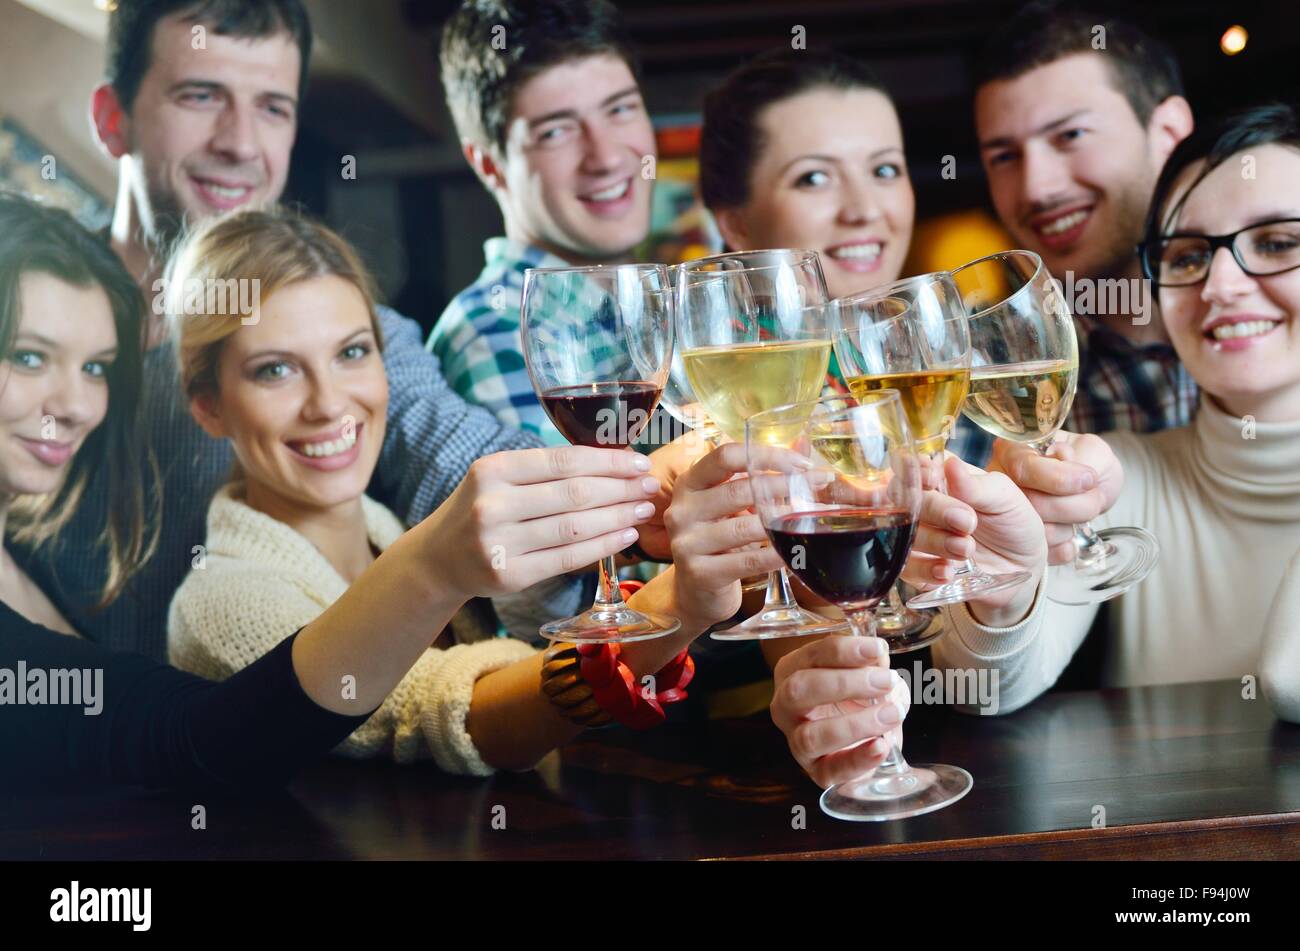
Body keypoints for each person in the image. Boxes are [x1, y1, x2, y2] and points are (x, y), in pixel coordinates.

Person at [8, 0, 646, 661]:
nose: (241, 143)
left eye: (273, 107)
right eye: (201, 96)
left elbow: (460, 457)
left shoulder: (355, 332)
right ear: (113, 121)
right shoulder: (23, 305)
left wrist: (643, 518)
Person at [0, 194, 653, 789]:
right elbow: (198, 737)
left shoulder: (384, 526)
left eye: (94, 368)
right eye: (275, 369)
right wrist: (669, 608)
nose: (77, 404)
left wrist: (658, 529)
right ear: (206, 405)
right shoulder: (225, 597)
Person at [767, 105, 1300, 783]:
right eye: (1189, 256)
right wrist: (1001, 587)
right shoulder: (1119, 468)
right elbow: (990, 688)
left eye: (1279, 242)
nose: (1221, 286)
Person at [962, 0, 1199, 464]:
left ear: (1169, 133)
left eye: (1070, 135)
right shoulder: (986, 378)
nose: (1037, 188)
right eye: (1005, 157)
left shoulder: (1271, 316)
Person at [428, 0, 658, 446]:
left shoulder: (657, 302)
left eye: (620, 109)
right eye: (556, 131)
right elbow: (584, 514)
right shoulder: (494, 332)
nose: (607, 157)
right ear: (488, 164)